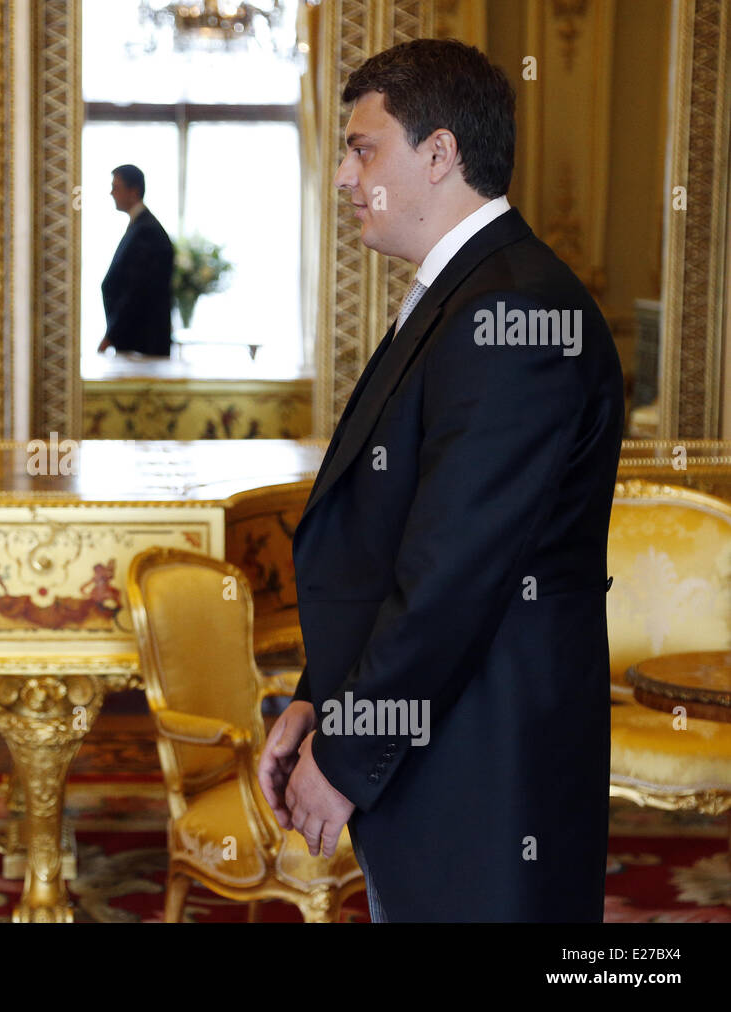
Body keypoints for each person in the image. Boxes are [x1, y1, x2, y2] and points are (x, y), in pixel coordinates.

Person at [257, 39, 624, 922]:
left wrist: (346, 757)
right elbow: (399, 541)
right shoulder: (469, 292)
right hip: (444, 744)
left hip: (485, 764)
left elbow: (451, 575)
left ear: (439, 152)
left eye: (361, 147)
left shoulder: (514, 310)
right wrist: (320, 698)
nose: (344, 177)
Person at [98, 164, 174, 356]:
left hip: (142, 342)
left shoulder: (147, 230)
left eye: (116, 187)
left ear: (133, 191)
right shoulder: (139, 226)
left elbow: (136, 289)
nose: (111, 193)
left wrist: (111, 335)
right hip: (135, 339)